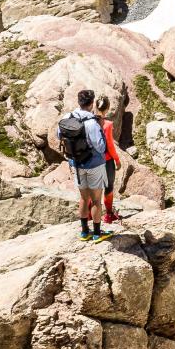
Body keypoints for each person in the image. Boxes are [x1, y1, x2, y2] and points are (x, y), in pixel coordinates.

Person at [60, 89, 109, 239]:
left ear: (78, 101)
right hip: (94, 165)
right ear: (92, 103)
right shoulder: (92, 123)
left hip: (76, 163)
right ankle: (96, 234)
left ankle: (83, 232)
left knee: (83, 198)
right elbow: (101, 147)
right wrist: (101, 128)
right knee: (96, 200)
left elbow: (58, 135)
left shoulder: (67, 117)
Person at [91, 93, 122, 226]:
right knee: (108, 188)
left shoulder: (89, 122)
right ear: (108, 108)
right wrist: (117, 160)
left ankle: (89, 216)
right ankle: (108, 215)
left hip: (91, 160)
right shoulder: (107, 124)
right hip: (106, 160)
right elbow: (110, 145)